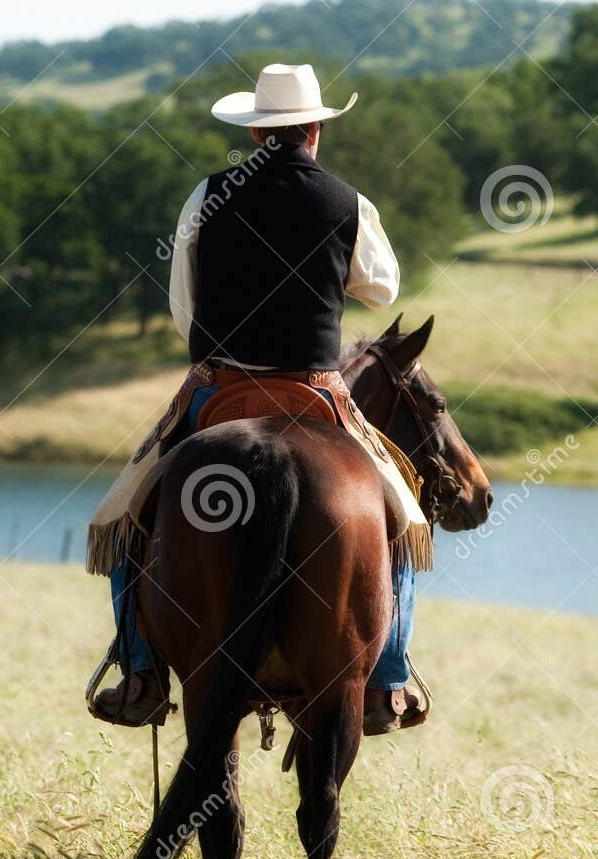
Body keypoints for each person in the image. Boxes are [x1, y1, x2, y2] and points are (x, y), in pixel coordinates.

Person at [89, 62, 426, 736]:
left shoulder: (205, 195)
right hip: (314, 392)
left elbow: (184, 303)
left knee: (123, 519)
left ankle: (141, 669)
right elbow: (382, 290)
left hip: (219, 386)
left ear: (254, 133)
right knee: (402, 519)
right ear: (314, 130)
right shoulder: (347, 202)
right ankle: (387, 675)